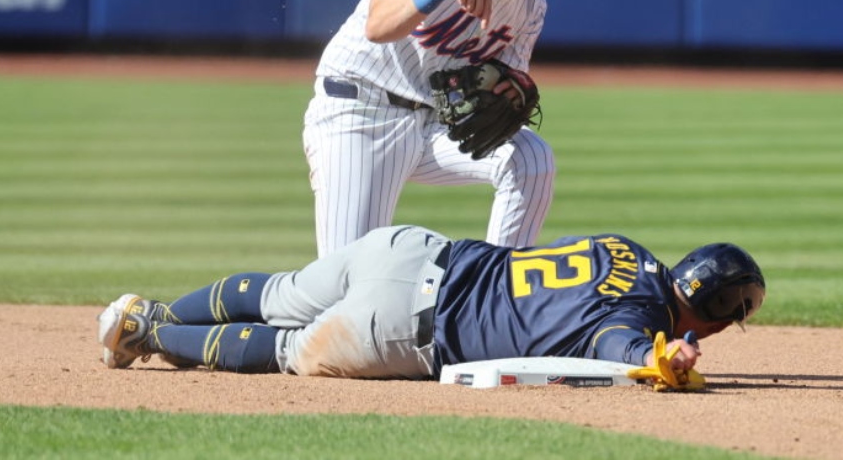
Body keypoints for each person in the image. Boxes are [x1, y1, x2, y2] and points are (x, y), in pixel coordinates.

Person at [304, 0, 611, 256]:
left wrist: (511, 91)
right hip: (360, 109)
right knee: (342, 281)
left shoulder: (531, 7)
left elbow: (504, 88)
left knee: (530, 159)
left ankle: (498, 297)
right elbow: (377, 24)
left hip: (431, 127)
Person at [96, 225, 765, 380]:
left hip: (410, 248)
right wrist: (671, 361)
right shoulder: (638, 322)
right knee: (288, 349)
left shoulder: (624, 246)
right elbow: (636, 361)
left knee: (276, 291)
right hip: (407, 327)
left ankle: (153, 306)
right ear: (718, 313)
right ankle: (148, 333)